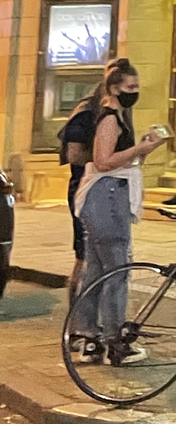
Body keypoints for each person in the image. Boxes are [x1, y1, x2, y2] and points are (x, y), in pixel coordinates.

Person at [72, 59, 167, 363]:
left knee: (98, 270)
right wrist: (139, 150)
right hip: (107, 198)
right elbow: (103, 160)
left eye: (137, 87)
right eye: (130, 87)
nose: (134, 92)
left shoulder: (116, 115)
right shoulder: (111, 117)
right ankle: (116, 341)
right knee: (116, 271)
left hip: (102, 199)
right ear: (114, 88)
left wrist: (142, 148)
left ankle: (88, 337)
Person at [59, 80, 103, 296]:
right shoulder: (86, 114)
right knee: (84, 255)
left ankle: (82, 316)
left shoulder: (98, 113)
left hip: (96, 188)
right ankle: (77, 316)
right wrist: (106, 159)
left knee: (89, 255)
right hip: (85, 189)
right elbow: (74, 155)